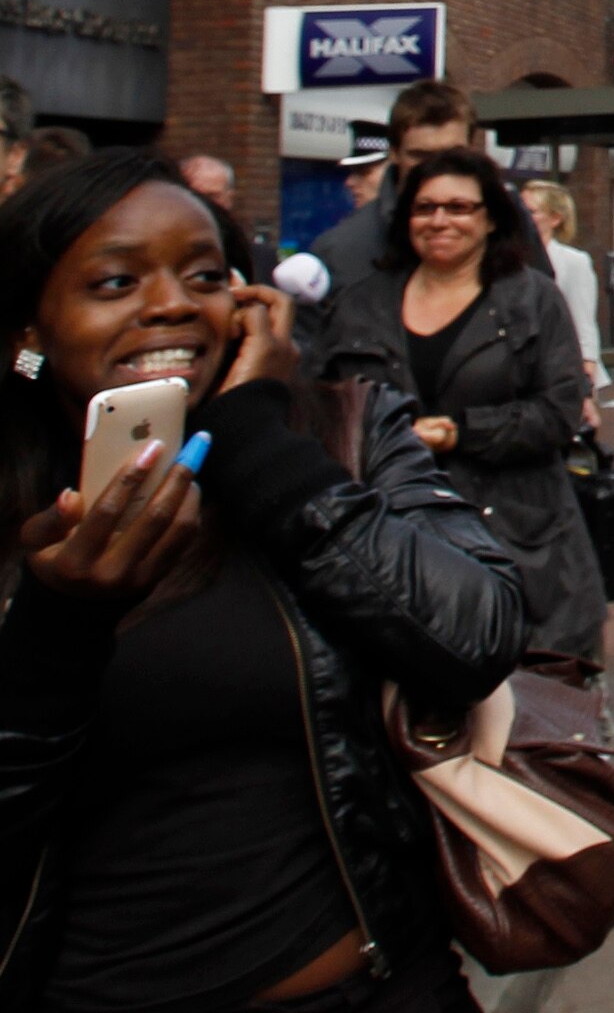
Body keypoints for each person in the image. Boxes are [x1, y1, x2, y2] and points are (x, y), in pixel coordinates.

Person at [0, 150, 525, 1012]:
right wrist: (57, 625)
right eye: (115, 281)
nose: (171, 303)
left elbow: (476, 635)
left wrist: (258, 445)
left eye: (204, 274)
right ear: (29, 329)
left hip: (380, 987)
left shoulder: (340, 436)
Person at [314, 147, 608, 666]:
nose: (439, 220)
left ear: (491, 218)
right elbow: (325, 406)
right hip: (396, 543)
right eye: (425, 208)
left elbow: (560, 412)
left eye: (458, 207)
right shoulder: (363, 304)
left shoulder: (531, 299)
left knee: (534, 720)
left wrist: (461, 433)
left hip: (521, 540)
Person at [304, 82, 553, 297]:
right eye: (420, 156)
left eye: (451, 154)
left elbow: (546, 320)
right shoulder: (342, 249)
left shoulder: (508, 218)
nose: (438, 168)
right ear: (394, 154)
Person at [519, 180, 611, 415]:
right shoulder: (509, 260)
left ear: (555, 218)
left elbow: (583, 322)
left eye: (530, 211)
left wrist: (586, 382)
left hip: (560, 370)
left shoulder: (573, 261)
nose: (521, 217)